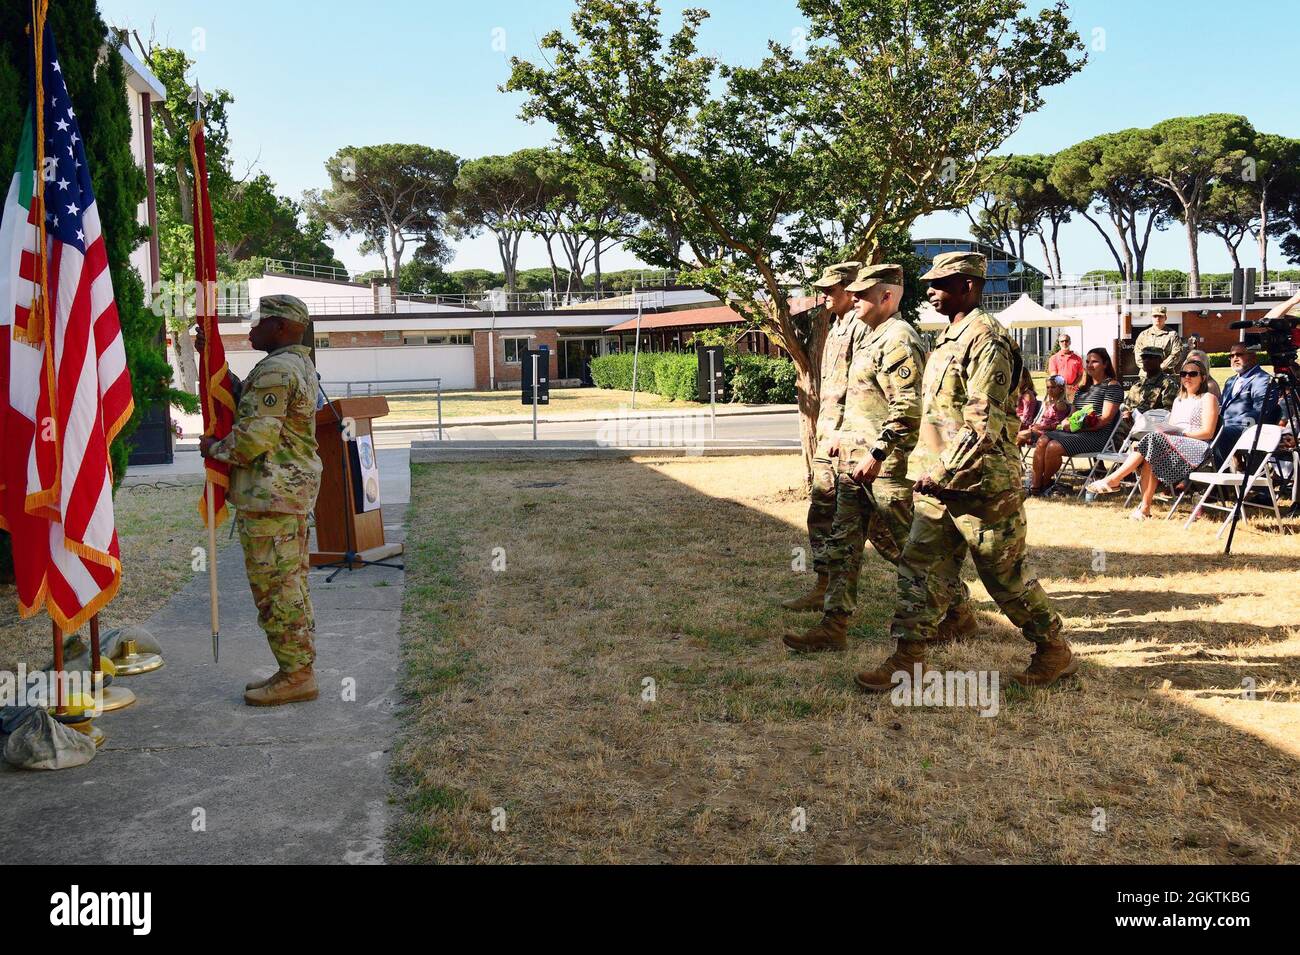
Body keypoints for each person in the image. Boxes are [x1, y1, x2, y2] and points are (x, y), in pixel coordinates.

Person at [854, 251, 1076, 692]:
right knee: (919, 567)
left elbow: (983, 423)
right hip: (940, 484)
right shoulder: (949, 336)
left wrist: (943, 470)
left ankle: (1053, 649)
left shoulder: (986, 339)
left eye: (942, 284)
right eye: (931, 283)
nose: (931, 291)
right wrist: (927, 469)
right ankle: (909, 658)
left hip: (983, 485)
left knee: (1004, 576)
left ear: (969, 286)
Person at [784, 264, 976, 652]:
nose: (853, 300)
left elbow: (907, 406)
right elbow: (861, 401)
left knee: (908, 547)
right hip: (854, 466)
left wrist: (876, 453)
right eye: (852, 294)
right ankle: (833, 626)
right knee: (842, 544)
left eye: (862, 294)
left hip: (885, 467)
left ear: (887, 297)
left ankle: (957, 610)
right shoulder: (871, 337)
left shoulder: (899, 339)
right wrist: (843, 438)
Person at [198, 295, 324, 706]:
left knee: (277, 588)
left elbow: (254, 438)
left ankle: (297, 675)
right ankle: (295, 667)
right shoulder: (293, 364)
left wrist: (214, 448)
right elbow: (254, 409)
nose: (252, 328)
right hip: (284, 495)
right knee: (290, 583)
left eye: (261, 322)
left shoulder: (276, 368)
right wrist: (216, 367)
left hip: (272, 496)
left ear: (285, 327)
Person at [781, 261, 869, 611]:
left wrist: (846, 435)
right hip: (829, 439)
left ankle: (951, 602)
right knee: (821, 513)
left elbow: (862, 392)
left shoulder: (864, 329)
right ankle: (823, 585)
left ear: (851, 289)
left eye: (830, 290)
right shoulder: (836, 327)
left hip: (851, 443)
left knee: (887, 531)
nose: (824, 295)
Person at [1087, 358, 1220, 520]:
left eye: (1193, 374)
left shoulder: (1208, 398)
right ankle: (1144, 509)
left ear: (1203, 377)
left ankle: (1114, 479)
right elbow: (1171, 427)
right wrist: (1166, 430)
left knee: (1152, 442)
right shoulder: (1179, 400)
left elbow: (1208, 432)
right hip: (1174, 443)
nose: (1187, 377)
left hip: (1197, 447)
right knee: (1151, 451)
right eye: (1183, 373)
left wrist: (1181, 434)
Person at [1029, 348, 1123, 494]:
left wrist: (1075, 427)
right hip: (1076, 431)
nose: (1090, 365)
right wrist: (1066, 422)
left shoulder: (1112, 386)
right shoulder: (1082, 389)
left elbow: (1104, 420)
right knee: (1042, 441)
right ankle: (1035, 487)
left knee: (1053, 446)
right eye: (1087, 362)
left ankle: (1045, 483)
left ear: (1105, 364)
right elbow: (1072, 414)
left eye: (1095, 362)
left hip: (1097, 436)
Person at [1212, 341, 1277, 465]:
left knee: (1219, 433)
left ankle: (1220, 480)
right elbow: (1222, 406)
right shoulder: (1230, 381)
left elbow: (1261, 411)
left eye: (1239, 354)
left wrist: (1230, 425)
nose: (1234, 358)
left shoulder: (1262, 380)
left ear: (1253, 357)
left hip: (1247, 428)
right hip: (1225, 426)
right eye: (1231, 356)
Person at [1017, 375, 1070, 446]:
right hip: (1040, 430)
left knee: (1018, 436)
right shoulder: (1048, 403)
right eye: (1048, 387)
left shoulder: (1060, 404)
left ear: (1061, 389)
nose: (1050, 390)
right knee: (1014, 435)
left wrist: (1040, 427)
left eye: (1053, 387)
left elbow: (1058, 425)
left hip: (1050, 434)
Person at [1133, 306, 1187, 374]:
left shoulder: (1172, 335)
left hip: (1165, 374)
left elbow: (1175, 355)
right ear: (1151, 318)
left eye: (1160, 316)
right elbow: (1138, 354)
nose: (1157, 318)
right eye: (1155, 316)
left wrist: (1160, 367)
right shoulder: (1143, 335)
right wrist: (1148, 367)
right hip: (1146, 375)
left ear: (1165, 318)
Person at [1046, 333, 1084, 400]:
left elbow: (1080, 375)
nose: (1064, 343)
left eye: (1066, 340)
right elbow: (1054, 376)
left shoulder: (1078, 358)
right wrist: (1064, 387)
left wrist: (1072, 386)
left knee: (1073, 409)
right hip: (1059, 390)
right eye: (1062, 341)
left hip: (1073, 391)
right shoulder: (1053, 358)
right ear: (1059, 343)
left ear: (1070, 342)